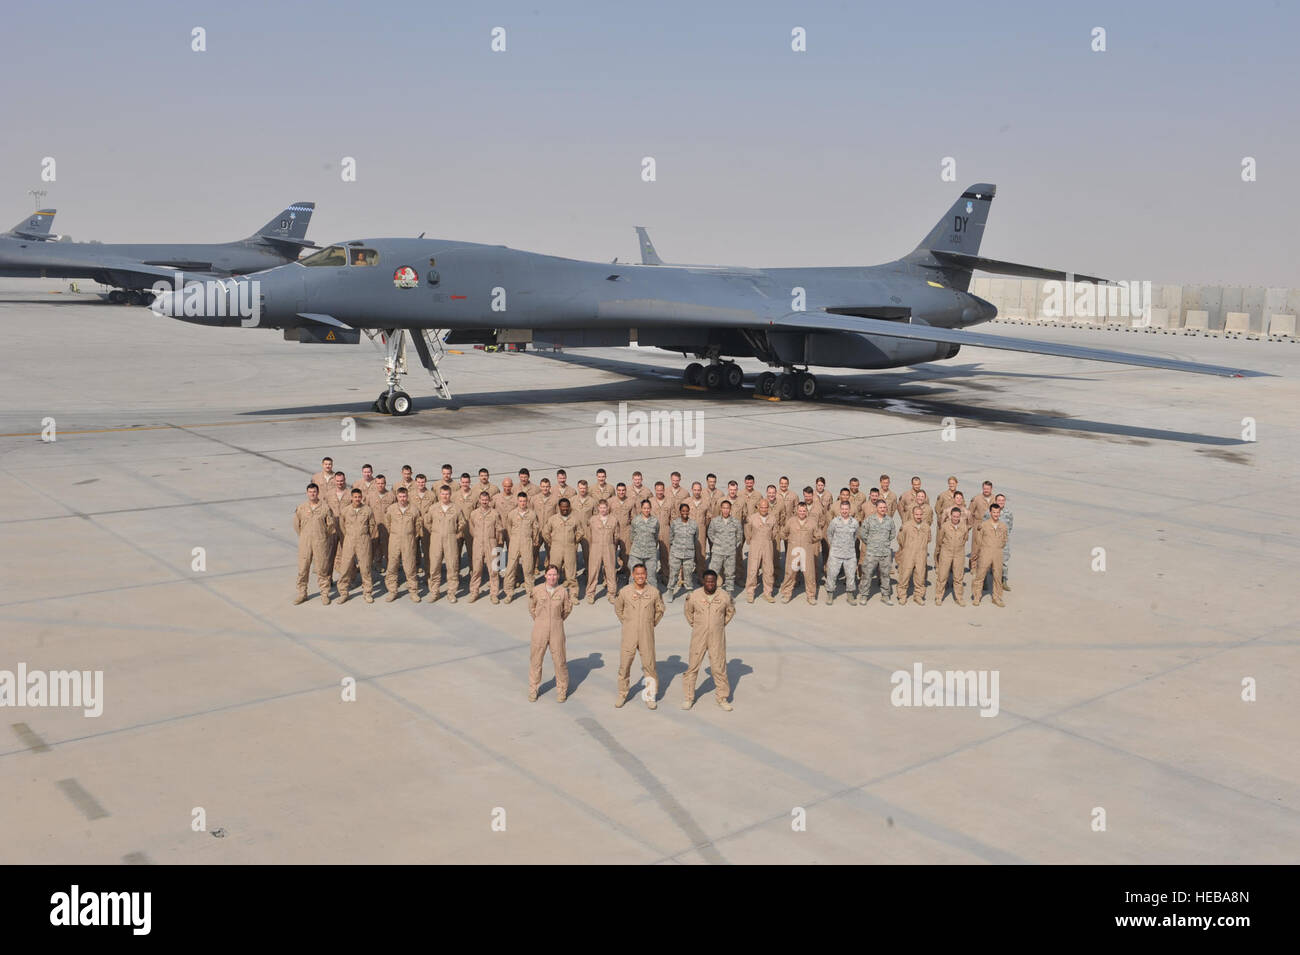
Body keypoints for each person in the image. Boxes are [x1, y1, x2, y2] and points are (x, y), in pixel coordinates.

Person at [682, 570, 736, 711]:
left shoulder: (724, 596)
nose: (710, 584)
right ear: (703, 581)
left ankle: (722, 697)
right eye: (707, 581)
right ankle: (688, 697)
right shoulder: (694, 596)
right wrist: (698, 625)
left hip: (717, 637)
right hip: (699, 636)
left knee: (719, 667)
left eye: (713, 581)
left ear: (716, 582)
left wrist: (718, 625)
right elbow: (688, 612)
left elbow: (730, 612)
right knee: (693, 666)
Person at [613, 563, 665, 710]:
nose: (640, 576)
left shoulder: (654, 592)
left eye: (643, 574)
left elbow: (660, 610)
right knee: (625, 665)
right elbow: (618, 608)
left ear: (646, 575)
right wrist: (627, 622)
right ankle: (622, 694)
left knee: (649, 666)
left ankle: (649, 696)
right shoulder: (625, 592)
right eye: (637, 574)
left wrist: (650, 623)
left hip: (646, 634)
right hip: (629, 634)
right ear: (632, 575)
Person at [528, 565, 574, 702]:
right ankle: (533, 690)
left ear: (558, 576)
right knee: (536, 660)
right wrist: (540, 620)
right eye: (549, 575)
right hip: (539, 629)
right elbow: (532, 608)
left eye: (554, 575)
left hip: (556, 628)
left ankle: (562, 691)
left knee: (560, 661)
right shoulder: (536, 590)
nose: (552, 577)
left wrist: (557, 620)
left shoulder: (563, 592)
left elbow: (566, 610)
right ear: (545, 576)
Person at [294, 483, 337, 605]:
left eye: (314, 492)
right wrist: (304, 536)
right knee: (303, 568)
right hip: (305, 542)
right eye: (310, 492)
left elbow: (330, 526)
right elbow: (296, 525)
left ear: (318, 493)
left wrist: (322, 536)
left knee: (322, 568)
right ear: (307, 493)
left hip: (320, 542)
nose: (312, 494)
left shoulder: (325, 508)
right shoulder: (302, 508)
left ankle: (324, 593)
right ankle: (302, 593)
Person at [424, 485, 465, 603]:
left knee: (452, 567)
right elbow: (427, 521)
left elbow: (462, 522)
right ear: (439, 495)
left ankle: (451, 593)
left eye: (447, 494)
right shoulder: (433, 508)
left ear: (450, 494)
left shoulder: (456, 508)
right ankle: (434, 592)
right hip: (436, 539)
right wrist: (434, 531)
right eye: (442, 494)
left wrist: (456, 533)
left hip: (451, 539)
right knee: (435, 567)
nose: (445, 496)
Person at [336, 488, 376, 603]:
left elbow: (372, 526)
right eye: (355, 497)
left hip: (364, 540)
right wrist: (349, 535)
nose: (357, 499)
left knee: (365, 567)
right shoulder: (345, 510)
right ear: (351, 498)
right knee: (345, 567)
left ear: (361, 497)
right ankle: (343, 592)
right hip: (349, 540)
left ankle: (367, 592)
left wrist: (366, 536)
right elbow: (342, 525)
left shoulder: (367, 510)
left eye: (359, 497)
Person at [383, 487, 423, 602]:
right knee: (392, 566)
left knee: (410, 567)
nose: (402, 499)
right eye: (400, 496)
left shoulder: (414, 510)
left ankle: (413, 591)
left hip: (408, 540)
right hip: (394, 540)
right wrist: (395, 533)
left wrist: (410, 535)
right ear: (397, 497)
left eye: (404, 496)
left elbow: (418, 525)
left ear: (407, 496)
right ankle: (392, 591)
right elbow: (387, 523)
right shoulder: (391, 509)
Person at [779, 501, 822, 604]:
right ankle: (786, 594)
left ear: (806, 511)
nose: (802, 512)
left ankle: (811, 596)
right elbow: (783, 533)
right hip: (794, 551)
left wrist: (809, 541)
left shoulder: (812, 522)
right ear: (796, 511)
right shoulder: (791, 521)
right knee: (790, 572)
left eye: (804, 511)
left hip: (806, 551)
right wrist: (791, 540)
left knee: (809, 574)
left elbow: (818, 535)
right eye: (800, 510)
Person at [857, 498, 896, 605]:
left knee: (885, 575)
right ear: (876, 508)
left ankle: (885, 595)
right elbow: (862, 533)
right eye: (881, 507)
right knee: (867, 574)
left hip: (885, 553)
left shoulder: (889, 520)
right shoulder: (869, 520)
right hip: (871, 553)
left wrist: (883, 542)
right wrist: (871, 542)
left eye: (884, 507)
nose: (883, 509)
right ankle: (864, 595)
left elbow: (892, 534)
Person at [467, 491, 505, 603]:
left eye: (486, 500)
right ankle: (474, 592)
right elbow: (471, 528)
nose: (484, 502)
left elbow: (499, 529)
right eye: (482, 500)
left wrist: (496, 541)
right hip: (478, 543)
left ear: (489, 501)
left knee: (493, 570)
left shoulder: (494, 513)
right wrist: (478, 537)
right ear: (479, 500)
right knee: (476, 570)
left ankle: (494, 594)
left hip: (491, 543)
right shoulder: (474, 514)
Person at [542, 497, 583, 598]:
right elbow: (545, 532)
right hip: (556, 548)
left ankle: (573, 595)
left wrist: (574, 541)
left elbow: (580, 531)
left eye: (566, 507)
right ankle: (551, 594)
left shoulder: (574, 519)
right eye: (562, 507)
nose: (565, 509)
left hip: (570, 548)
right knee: (553, 573)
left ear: (569, 507)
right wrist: (551, 542)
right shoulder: (553, 519)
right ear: (559, 507)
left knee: (571, 573)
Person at [503, 492, 540, 603]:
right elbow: (508, 527)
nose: (522, 503)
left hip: (527, 542)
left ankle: (530, 592)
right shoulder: (512, 514)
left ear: (527, 501)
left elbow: (536, 529)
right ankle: (509, 592)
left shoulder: (532, 514)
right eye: (520, 501)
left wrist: (534, 540)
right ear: (517, 501)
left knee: (528, 568)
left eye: (524, 501)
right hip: (514, 542)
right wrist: (512, 538)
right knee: (510, 568)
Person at [972, 503, 1009, 607]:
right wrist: (979, 551)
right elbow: (978, 540)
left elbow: (1005, 539)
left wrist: (999, 546)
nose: (996, 514)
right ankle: (977, 596)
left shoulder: (1003, 526)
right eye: (994, 512)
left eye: (997, 512)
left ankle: (996, 597)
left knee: (997, 576)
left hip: (998, 553)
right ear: (990, 512)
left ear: (1000, 513)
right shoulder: (984, 525)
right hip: (985, 552)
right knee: (980, 574)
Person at [584, 498, 621, 603]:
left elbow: (616, 536)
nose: (603, 509)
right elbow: (589, 535)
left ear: (608, 508)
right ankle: (590, 594)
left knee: (610, 571)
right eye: (601, 508)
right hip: (596, 547)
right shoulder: (592, 520)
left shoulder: (613, 520)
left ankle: (612, 593)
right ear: (598, 508)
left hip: (609, 547)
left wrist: (612, 545)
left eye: (605, 507)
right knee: (593, 571)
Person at [823, 500, 859, 604]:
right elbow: (829, 534)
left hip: (850, 554)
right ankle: (830, 595)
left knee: (851, 575)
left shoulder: (854, 522)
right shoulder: (835, 521)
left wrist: (848, 545)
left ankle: (850, 595)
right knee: (832, 575)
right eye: (842, 509)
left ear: (849, 510)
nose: (844, 511)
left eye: (846, 509)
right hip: (836, 554)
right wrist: (834, 545)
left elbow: (855, 536)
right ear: (840, 510)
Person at [743, 498, 778, 603]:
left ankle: (768, 593)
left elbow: (775, 531)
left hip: (768, 544)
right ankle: (750, 592)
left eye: (766, 507)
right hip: (755, 544)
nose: (764, 509)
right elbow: (747, 530)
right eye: (762, 507)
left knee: (768, 569)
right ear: (758, 507)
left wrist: (769, 539)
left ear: (768, 508)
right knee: (753, 569)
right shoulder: (752, 518)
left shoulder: (772, 518)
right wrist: (750, 540)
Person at [895, 505, 931, 606]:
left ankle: (918, 596)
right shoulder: (906, 526)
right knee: (905, 575)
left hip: (921, 554)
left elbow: (928, 539)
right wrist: (908, 547)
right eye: (916, 514)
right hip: (908, 554)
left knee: (920, 576)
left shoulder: (926, 526)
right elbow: (900, 540)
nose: (918, 516)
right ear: (913, 514)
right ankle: (902, 596)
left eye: (920, 514)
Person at [934, 506, 969, 606]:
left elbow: (965, 538)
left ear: (960, 516)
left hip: (959, 553)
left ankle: (959, 597)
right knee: (942, 576)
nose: (955, 518)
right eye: (954, 516)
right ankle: (939, 597)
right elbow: (940, 540)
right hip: (946, 552)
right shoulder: (945, 526)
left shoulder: (964, 526)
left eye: (957, 517)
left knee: (958, 577)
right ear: (950, 516)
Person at [706, 498, 743, 594]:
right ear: (721, 509)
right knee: (712, 573)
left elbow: (739, 536)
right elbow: (710, 533)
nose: (726, 510)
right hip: (718, 552)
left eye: (728, 508)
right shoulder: (715, 521)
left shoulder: (735, 522)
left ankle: (729, 594)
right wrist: (718, 543)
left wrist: (732, 546)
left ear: (730, 509)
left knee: (730, 574)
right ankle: (710, 592)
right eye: (724, 508)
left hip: (730, 553)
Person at [666, 502, 698, 600]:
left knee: (688, 573)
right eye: (683, 511)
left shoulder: (693, 524)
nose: (685, 513)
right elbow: (671, 538)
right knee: (673, 573)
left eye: (686, 511)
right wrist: (676, 547)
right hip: (676, 553)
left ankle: (689, 591)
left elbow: (695, 538)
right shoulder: (675, 523)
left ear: (689, 512)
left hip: (689, 554)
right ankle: (671, 590)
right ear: (680, 512)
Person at [628, 499, 660, 585]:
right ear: (641, 509)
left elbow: (656, 536)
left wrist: (652, 545)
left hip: (650, 553)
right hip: (636, 553)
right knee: (634, 576)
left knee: (651, 576)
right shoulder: (635, 520)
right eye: (644, 508)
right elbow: (632, 536)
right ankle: (632, 596)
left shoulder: (655, 521)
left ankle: (653, 596)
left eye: (648, 508)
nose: (646, 510)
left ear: (651, 508)